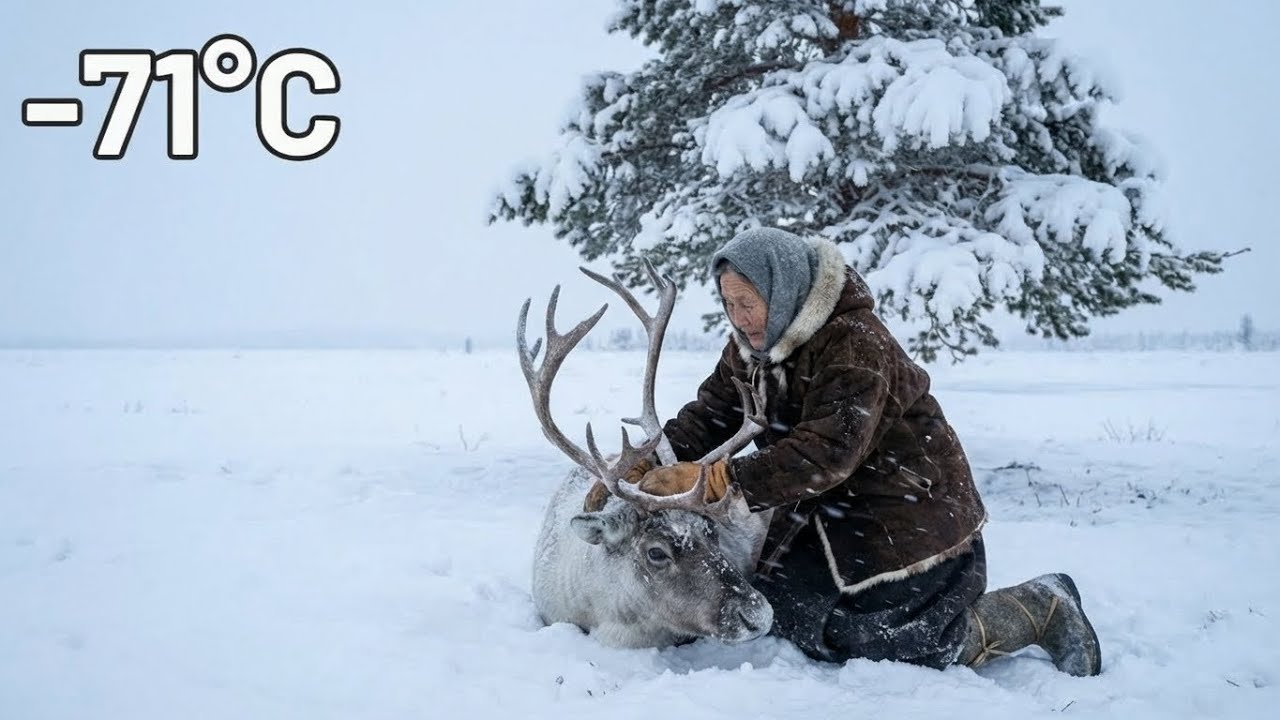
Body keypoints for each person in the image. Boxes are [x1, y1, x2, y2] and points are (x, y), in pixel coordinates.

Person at [617, 227, 1102, 675]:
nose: (740, 319)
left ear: (781, 289)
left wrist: (720, 482)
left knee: (902, 644)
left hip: (909, 521)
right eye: (729, 305)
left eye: (750, 302)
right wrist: (648, 459)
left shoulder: (856, 343)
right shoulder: (750, 351)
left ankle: (1040, 605)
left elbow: (828, 452)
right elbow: (711, 413)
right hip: (827, 519)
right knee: (786, 615)